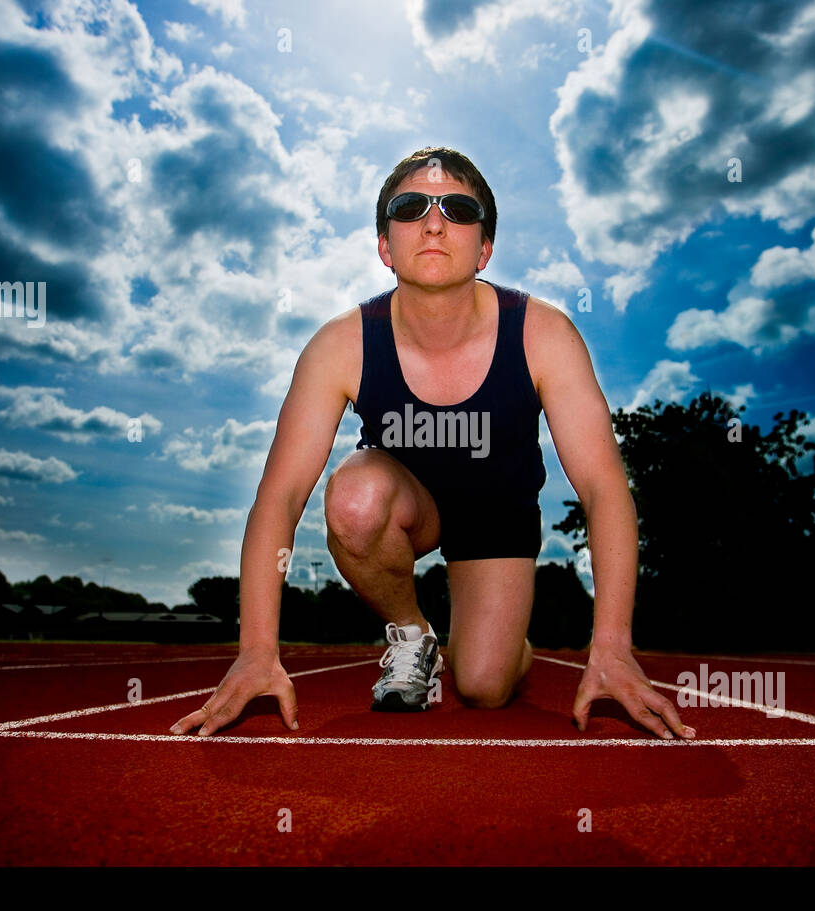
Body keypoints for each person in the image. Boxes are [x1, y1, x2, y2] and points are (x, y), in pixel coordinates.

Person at [170, 146, 695, 740]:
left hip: (497, 517)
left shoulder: (543, 335)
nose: (435, 221)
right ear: (385, 247)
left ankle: (503, 641)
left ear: (485, 247)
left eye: (459, 209)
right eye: (412, 205)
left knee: (483, 688)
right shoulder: (340, 345)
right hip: (404, 506)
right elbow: (281, 495)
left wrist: (613, 645)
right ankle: (413, 634)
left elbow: (603, 488)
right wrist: (257, 650)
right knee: (354, 498)